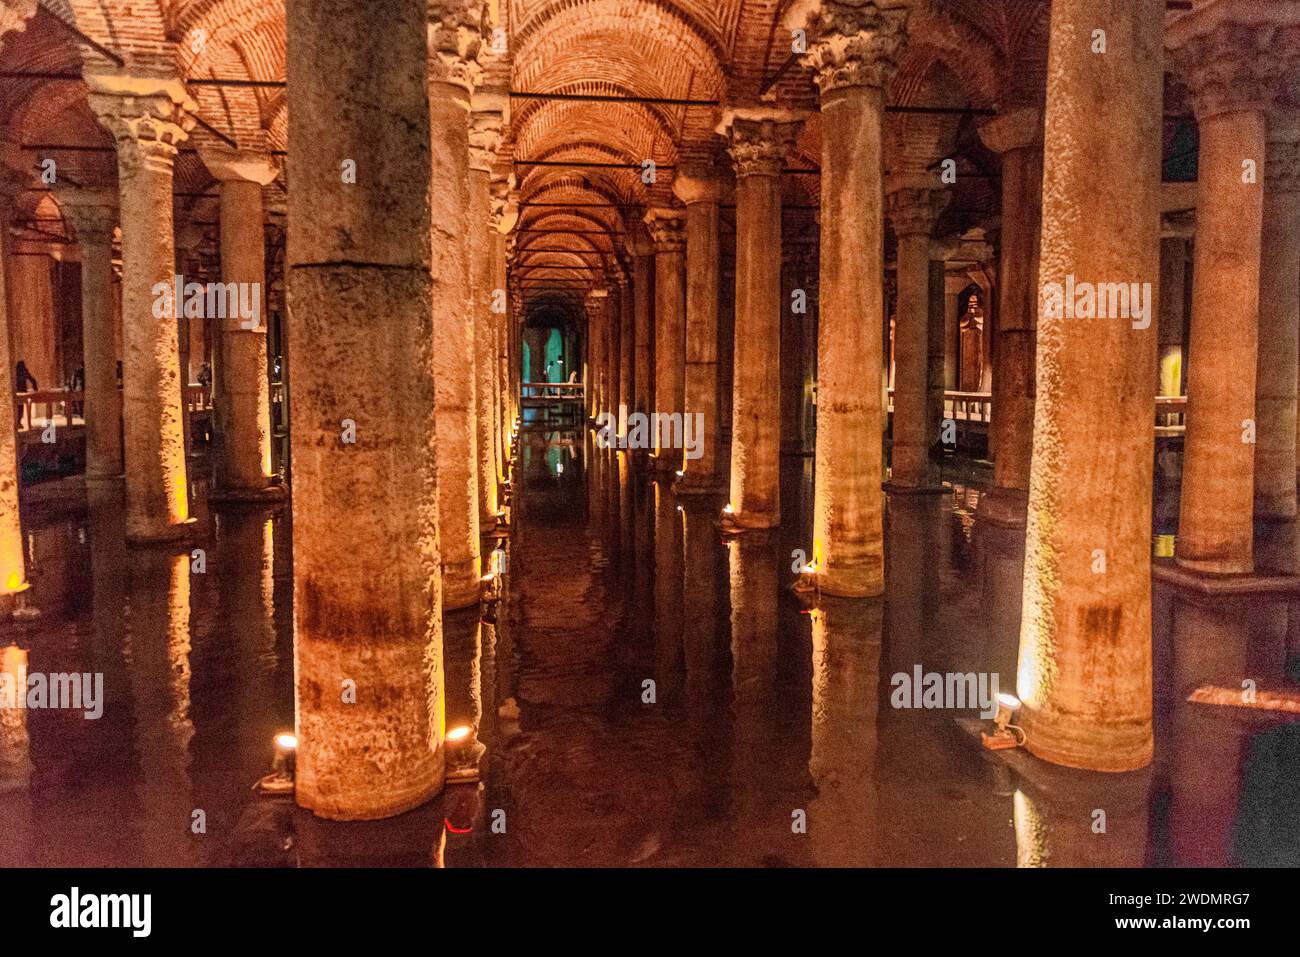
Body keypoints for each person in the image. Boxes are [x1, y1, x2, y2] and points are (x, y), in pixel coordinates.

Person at [14, 360, 37, 430]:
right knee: (20, 408)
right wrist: (35, 388)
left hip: (17, 392)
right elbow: (32, 380)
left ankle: (17, 422)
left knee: (18, 408)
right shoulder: (24, 371)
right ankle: (18, 422)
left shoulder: (16, 371)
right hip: (22, 392)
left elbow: (32, 380)